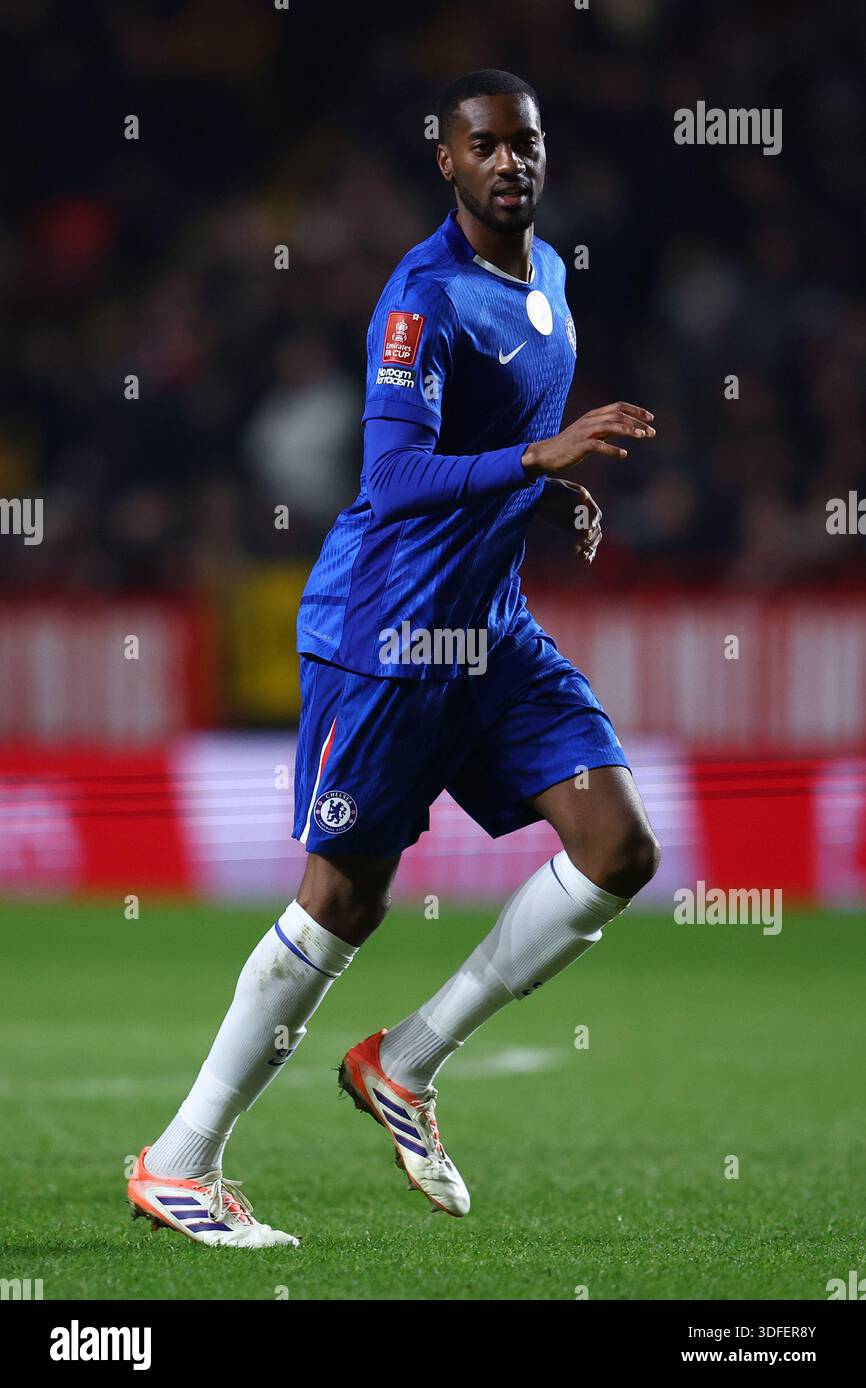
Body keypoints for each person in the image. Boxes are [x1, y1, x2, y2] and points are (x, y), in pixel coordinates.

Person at [128, 68, 660, 1246]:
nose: (508, 162)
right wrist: (536, 460)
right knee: (342, 902)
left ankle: (406, 1062)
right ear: (446, 163)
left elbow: (492, 444)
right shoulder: (420, 298)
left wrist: (539, 484)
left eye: (524, 142)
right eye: (483, 146)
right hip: (387, 636)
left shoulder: (551, 279)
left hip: (491, 629)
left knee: (618, 845)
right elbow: (392, 478)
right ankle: (180, 1161)